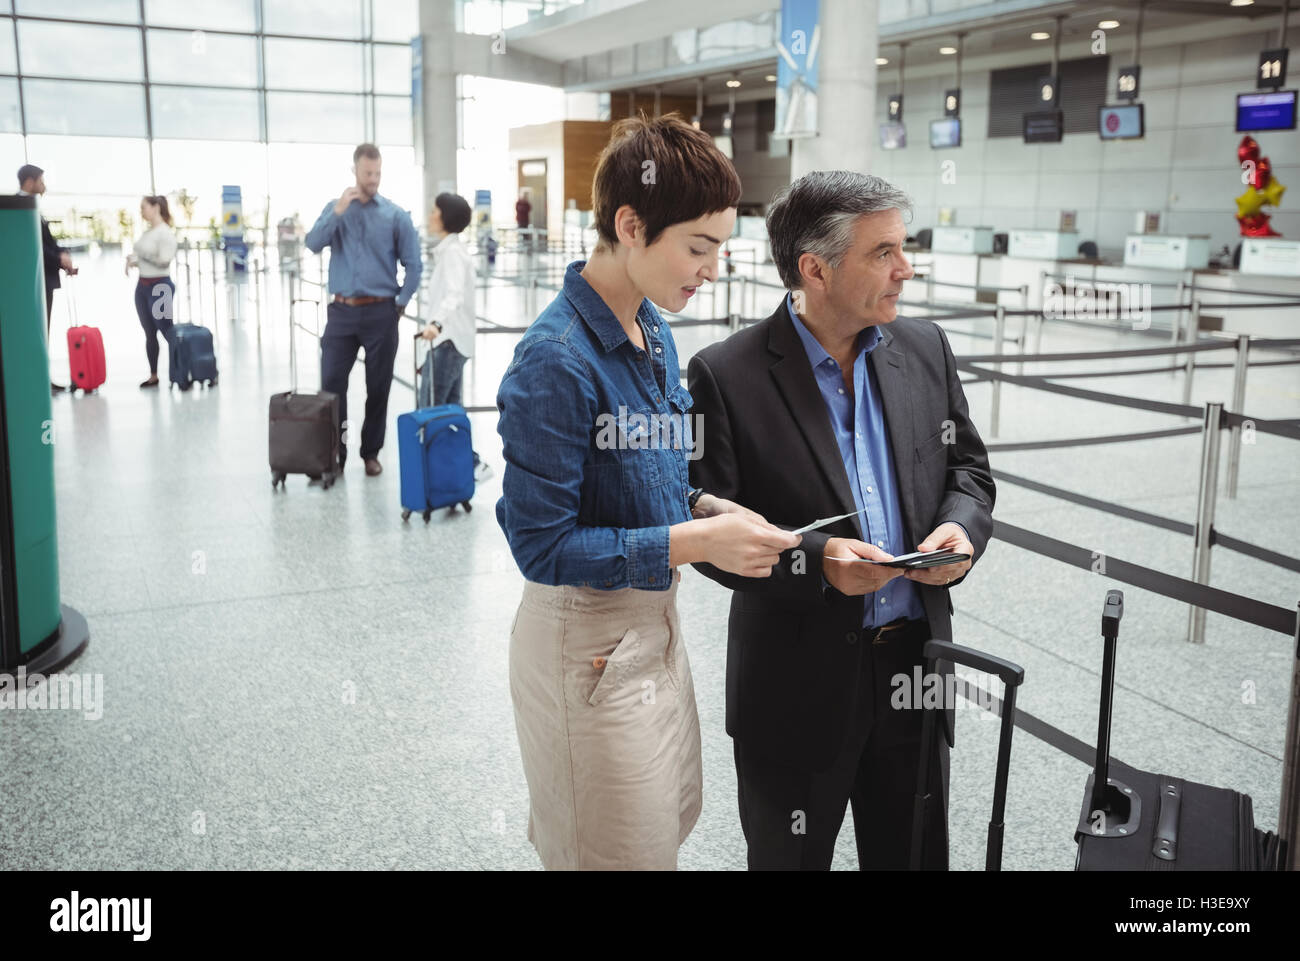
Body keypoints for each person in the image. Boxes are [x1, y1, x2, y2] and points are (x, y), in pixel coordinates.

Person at [495, 114, 801, 870]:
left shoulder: (652, 329)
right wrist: (695, 542)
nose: (712, 269)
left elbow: (656, 471)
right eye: (698, 247)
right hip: (586, 648)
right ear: (630, 225)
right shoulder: (556, 361)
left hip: (654, 632)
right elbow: (541, 545)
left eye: (720, 247)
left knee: (660, 830)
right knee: (613, 851)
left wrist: (704, 509)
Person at [686, 170, 996, 870]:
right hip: (795, 689)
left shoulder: (924, 349)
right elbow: (705, 535)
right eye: (883, 252)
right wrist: (817, 562)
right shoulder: (726, 376)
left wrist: (962, 530)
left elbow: (969, 473)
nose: (905, 268)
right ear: (815, 269)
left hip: (915, 669)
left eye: (903, 247)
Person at [305, 143, 422, 477]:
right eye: (368, 173)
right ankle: (335, 454)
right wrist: (338, 210)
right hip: (341, 312)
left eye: (378, 173)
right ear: (354, 171)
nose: (373, 179)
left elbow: (414, 264)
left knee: (378, 387)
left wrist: (400, 304)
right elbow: (313, 243)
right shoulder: (336, 209)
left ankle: (371, 452)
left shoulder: (395, 215)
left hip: (380, 312)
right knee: (331, 385)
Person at [417, 191, 491, 481]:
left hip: (447, 342)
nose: (431, 215)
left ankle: (464, 466)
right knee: (450, 410)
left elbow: (454, 294)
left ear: (445, 217)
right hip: (453, 342)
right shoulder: (451, 251)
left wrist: (436, 323)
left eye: (435, 211)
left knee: (431, 409)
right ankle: (462, 468)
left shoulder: (452, 254)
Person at [17, 164, 78, 393]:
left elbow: (48, 244)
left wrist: (63, 256)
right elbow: (33, 247)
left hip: (43, 281)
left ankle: (42, 379)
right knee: (36, 333)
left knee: (43, 333)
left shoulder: (32, 208)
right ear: (30, 182)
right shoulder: (19, 209)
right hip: (33, 283)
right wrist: (59, 258)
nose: (44, 186)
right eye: (41, 181)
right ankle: (36, 382)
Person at [126, 195, 178, 389]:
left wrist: (141, 257)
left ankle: (181, 371)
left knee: (167, 331)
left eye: (144, 207)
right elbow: (145, 257)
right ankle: (153, 375)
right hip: (143, 286)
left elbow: (164, 260)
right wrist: (133, 260)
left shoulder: (165, 233)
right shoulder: (148, 233)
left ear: (156, 207)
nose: (142, 211)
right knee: (149, 332)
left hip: (160, 287)